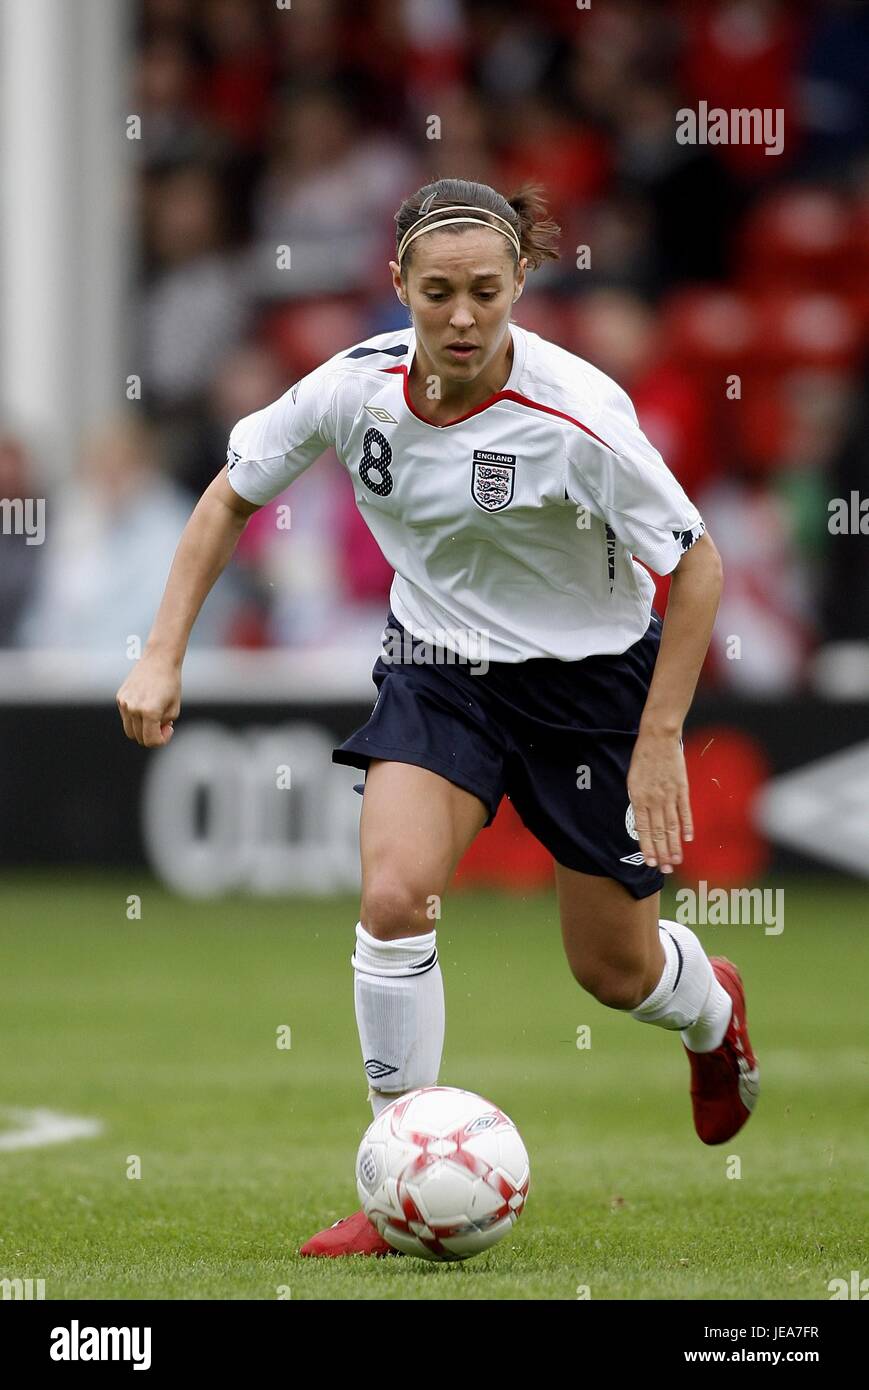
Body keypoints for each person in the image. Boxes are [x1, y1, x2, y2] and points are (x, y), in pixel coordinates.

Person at [116, 177, 760, 1259]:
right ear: (398, 286)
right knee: (392, 893)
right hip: (437, 668)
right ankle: (392, 1175)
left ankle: (710, 1010)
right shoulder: (349, 386)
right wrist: (161, 652)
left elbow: (695, 565)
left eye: (484, 293)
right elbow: (229, 493)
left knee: (612, 972)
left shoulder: (578, 417)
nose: (461, 317)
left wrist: (656, 739)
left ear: (518, 284)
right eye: (437, 293)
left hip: (589, 688)